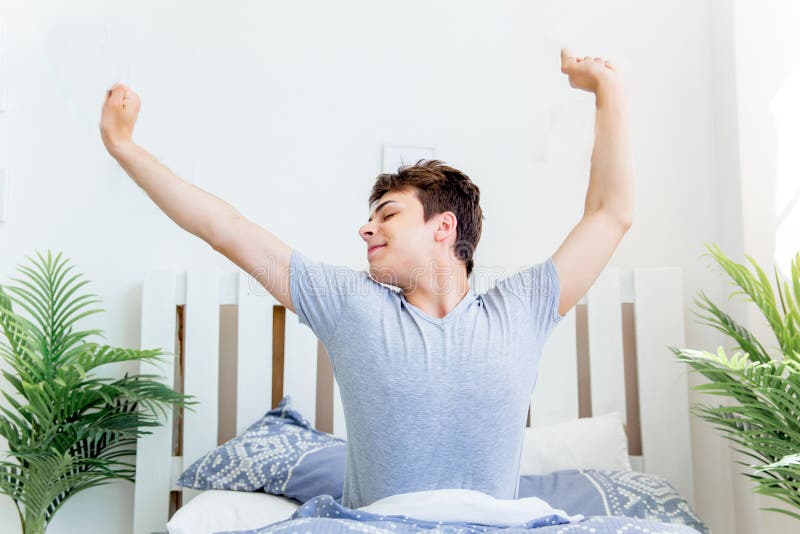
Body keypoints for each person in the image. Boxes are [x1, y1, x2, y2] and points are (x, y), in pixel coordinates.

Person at [99, 48, 632, 509]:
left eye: (388, 215)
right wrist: (125, 147)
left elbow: (610, 214)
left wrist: (606, 88)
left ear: (443, 227)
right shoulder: (351, 305)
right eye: (370, 217)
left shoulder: (521, 310)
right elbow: (226, 229)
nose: (366, 228)